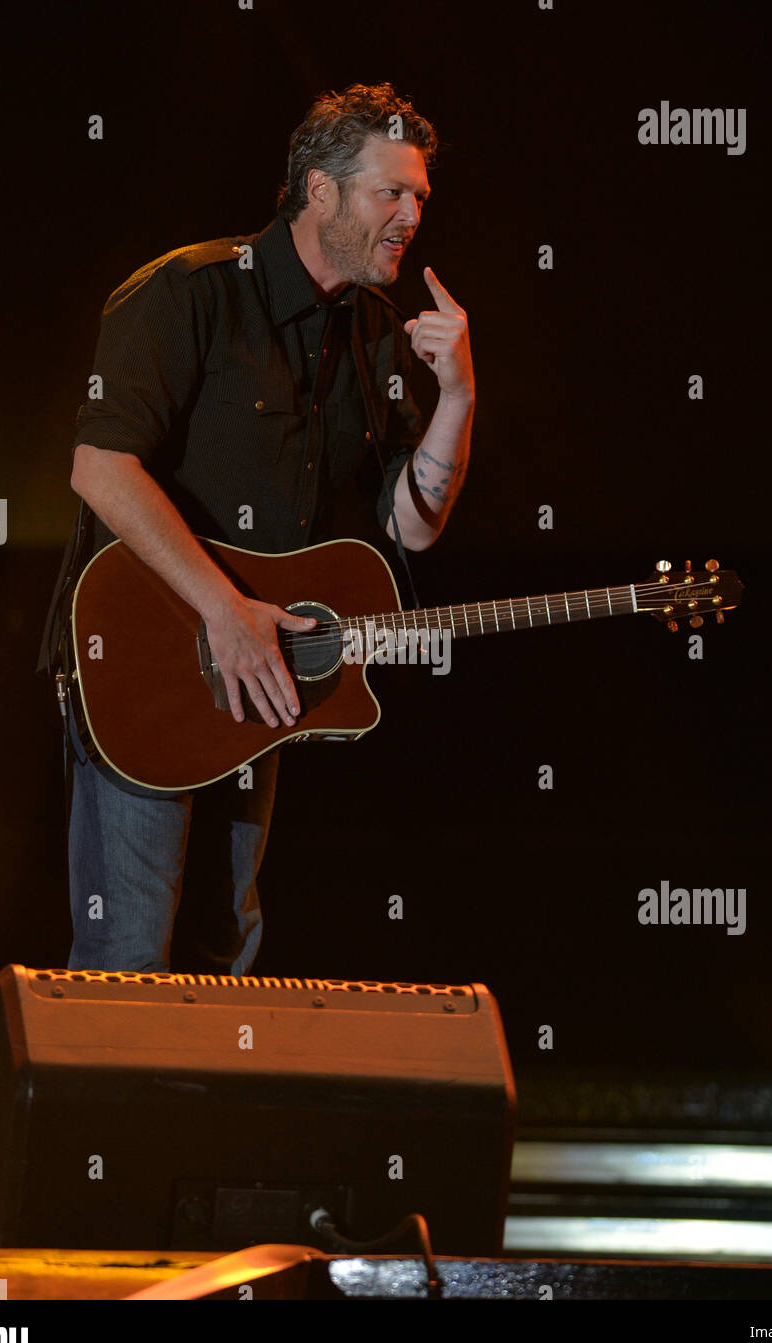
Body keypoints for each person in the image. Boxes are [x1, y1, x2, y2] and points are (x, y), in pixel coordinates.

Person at [36, 82, 475, 975]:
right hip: (145, 659)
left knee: (225, 946)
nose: (410, 214)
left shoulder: (376, 334)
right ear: (319, 191)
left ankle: (202, 1116)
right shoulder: (189, 292)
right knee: (129, 952)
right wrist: (224, 610)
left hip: (254, 674)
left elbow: (412, 528)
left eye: (420, 197)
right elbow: (100, 467)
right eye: (390, 191)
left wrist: (460, 395)